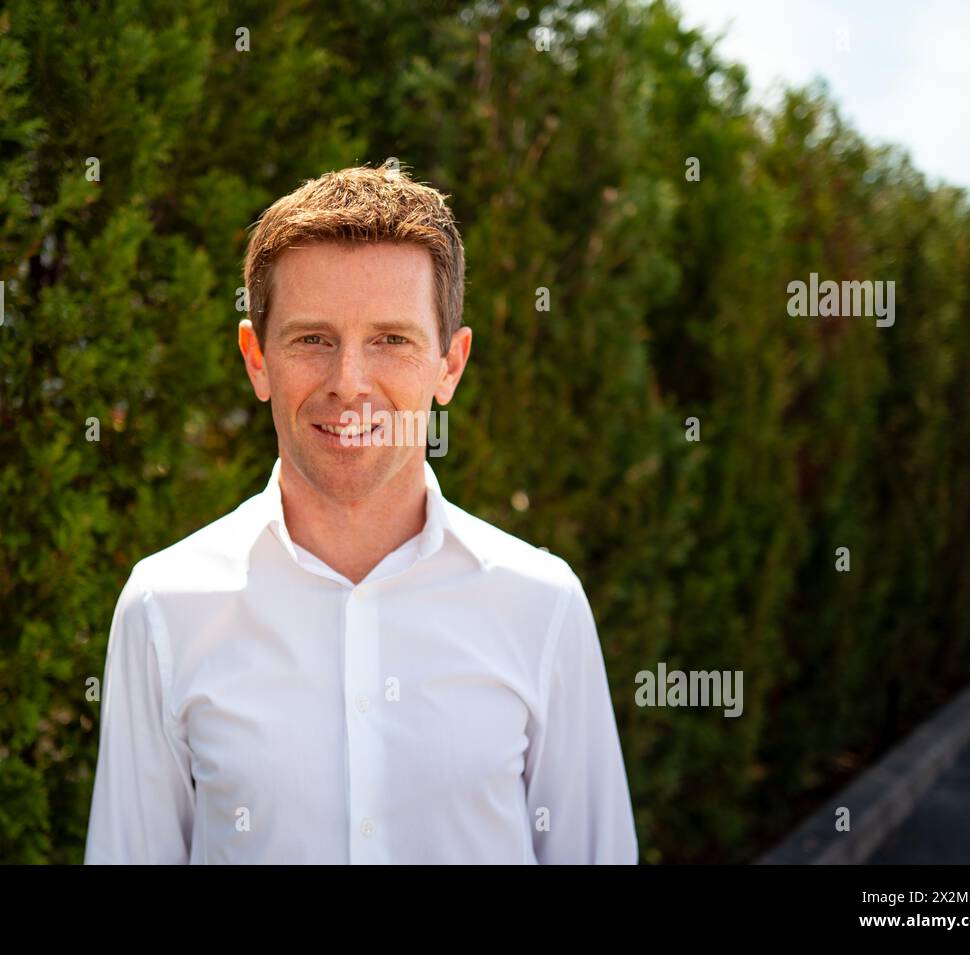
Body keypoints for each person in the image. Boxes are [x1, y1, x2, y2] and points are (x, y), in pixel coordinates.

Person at [84, 165, 637, 864]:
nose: (349, 382)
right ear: (257, 360)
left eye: (392, 340)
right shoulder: (163, 607)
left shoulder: (543, 605)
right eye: (313, 339)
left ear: (450, 366)